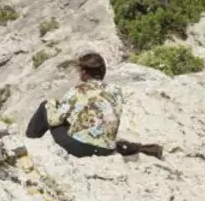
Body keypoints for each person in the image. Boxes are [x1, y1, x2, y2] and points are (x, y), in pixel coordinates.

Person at [25, 52, 162, 158]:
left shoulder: (78, 90)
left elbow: (54, 120)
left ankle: (28, 142)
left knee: (45, 106)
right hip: (106, 150)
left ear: (84, 72)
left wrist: (52, 104)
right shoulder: (116, 91)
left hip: (80, 148)